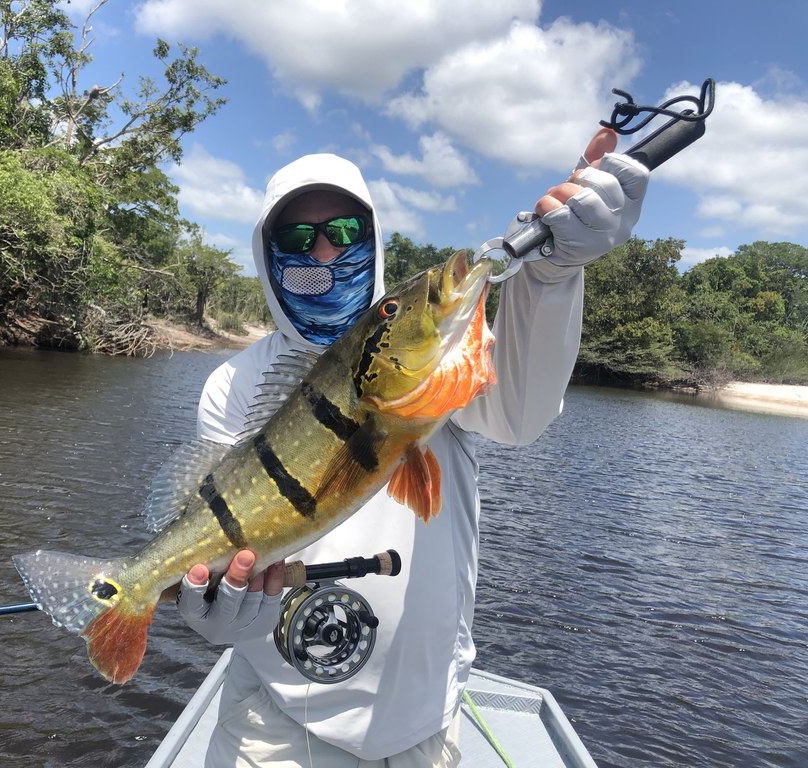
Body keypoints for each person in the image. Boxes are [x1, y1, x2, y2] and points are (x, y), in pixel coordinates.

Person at [176, 128, 649, 767]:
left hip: (423, 724)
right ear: (266, 253)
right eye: (295, 237)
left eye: (343, 233)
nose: (321, 250)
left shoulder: (435, 363)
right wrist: (210, 605)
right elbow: (232, 532)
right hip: (269, 717)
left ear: (371, 242)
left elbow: (520, 412)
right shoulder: (232, 386)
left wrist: (552, 276)